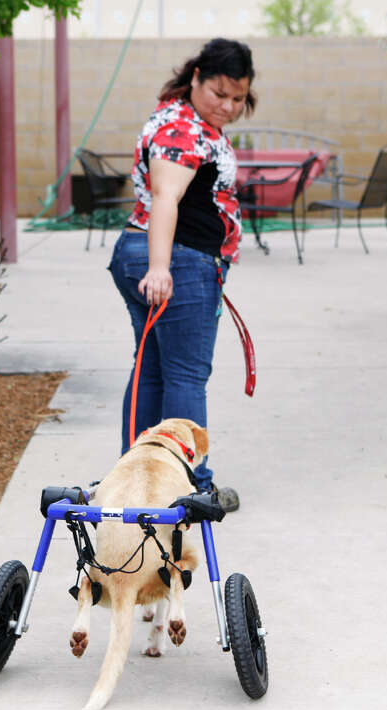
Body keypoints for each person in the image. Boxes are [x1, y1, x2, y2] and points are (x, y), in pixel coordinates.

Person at [106, 37, 255, 511]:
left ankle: (139, 479)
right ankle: (193, 487)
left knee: (152, 370)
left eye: (238, 98)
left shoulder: (183, 119)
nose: (228, 106)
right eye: (219, 93)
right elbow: (166, 199)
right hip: (178, 261)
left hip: (168, 256)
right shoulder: (179, 129)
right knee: (186, 376)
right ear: (196, 78)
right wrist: (160, 268)